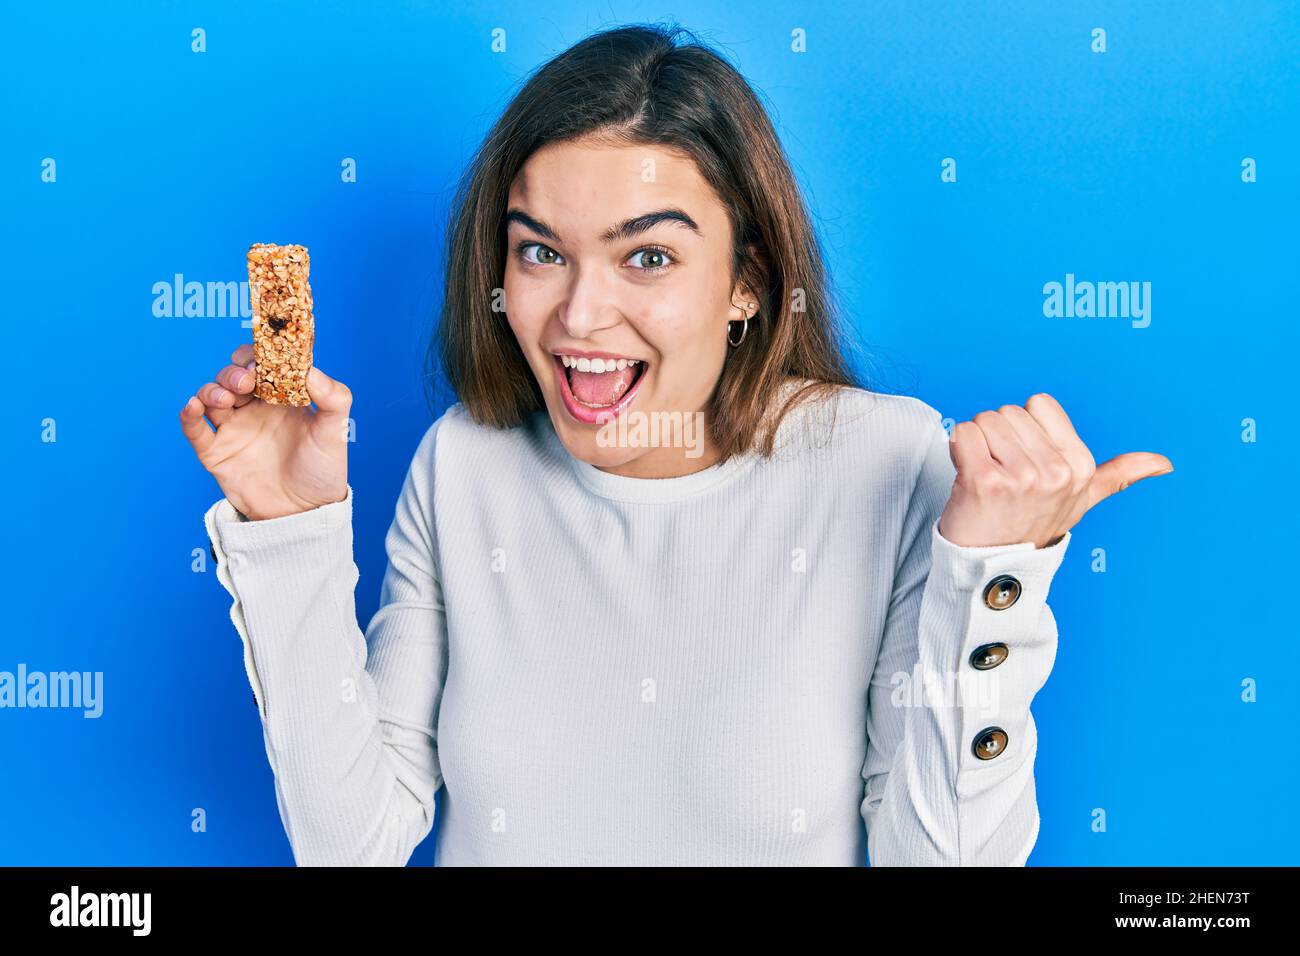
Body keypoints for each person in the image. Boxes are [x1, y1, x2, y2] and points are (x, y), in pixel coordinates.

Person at [179, 23, 1172, 866]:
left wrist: (990, 578)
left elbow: (942, 855)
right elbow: (352, 841)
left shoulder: (889, 462)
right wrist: (290, 528)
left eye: (646, 255)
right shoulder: (464, 463)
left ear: (746, 280)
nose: (579, 313)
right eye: (540, 251)